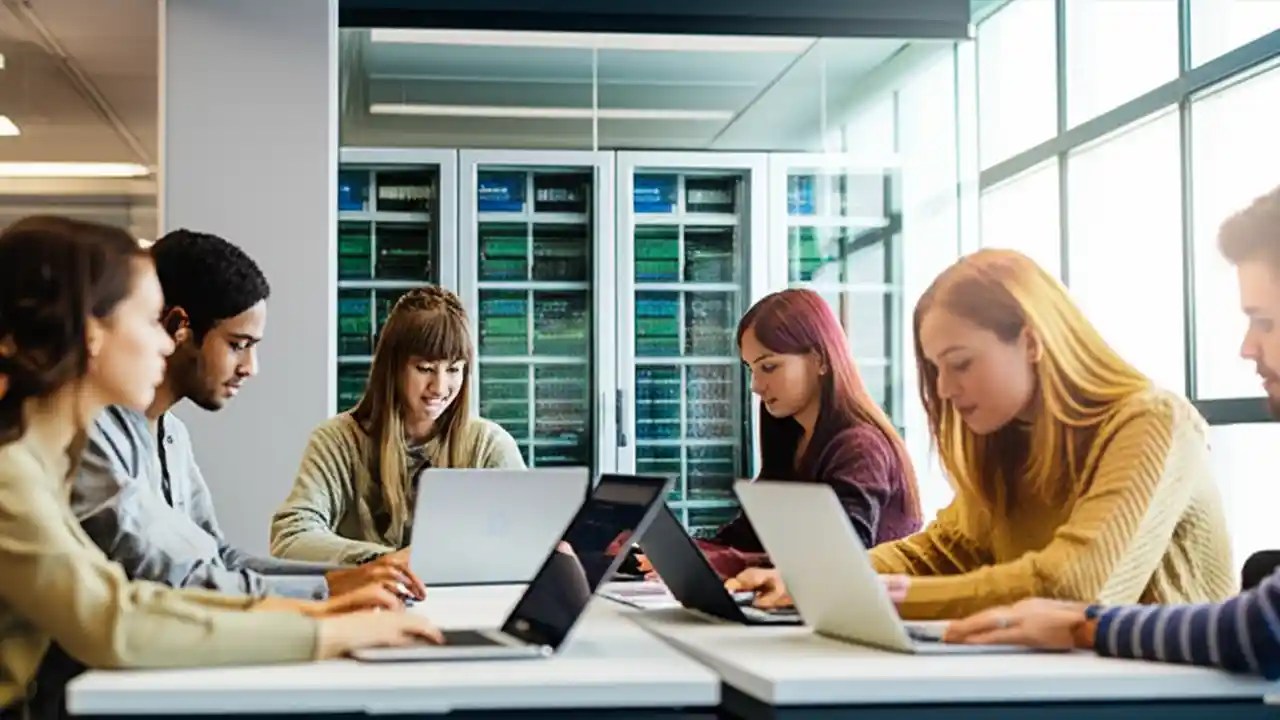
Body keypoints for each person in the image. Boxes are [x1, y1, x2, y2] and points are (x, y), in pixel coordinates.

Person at [0, 217, 441, 719]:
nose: (168, 342)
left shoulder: (44, 463)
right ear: (90, 333)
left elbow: (138, 598)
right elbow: (116, 621)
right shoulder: (12, 475)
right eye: (150, 321)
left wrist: (320, 609)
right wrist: (324, 627)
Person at [729, 249, 1235, 620]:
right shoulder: (1009, 439)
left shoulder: (1154, 423)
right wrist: (813, 576)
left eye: (961, 363)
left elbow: (1074, 586)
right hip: (1054, 681)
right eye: (935, 369)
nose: (945, 389)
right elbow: (943, 550)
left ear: (1032, 342)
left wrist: (863, 590)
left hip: (1167, 699)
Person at [945, 186, 1280, 680]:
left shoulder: (1153, 421)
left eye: (1265, 322)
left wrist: (1087, 626)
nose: (1247, 348)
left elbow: (1259, 628)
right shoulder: (1010, 444)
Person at [70, 229, 423, 606]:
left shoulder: (172, 434)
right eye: (238, 346)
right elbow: (167, 576)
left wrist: (356, 575)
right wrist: (328, 590)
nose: (250, 368)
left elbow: (220, 559)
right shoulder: (93, 431)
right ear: (179, 328)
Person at [647, 288, 922, 578]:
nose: (755, 385)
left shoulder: (860, 447)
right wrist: (663, 550)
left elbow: (841, 556)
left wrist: (727, 562)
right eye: (751, 369)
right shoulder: (792, 438)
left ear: (820, 360)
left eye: (768, 367)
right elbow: (743, 538)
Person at [270, 286, 525, 564]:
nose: (440, 387)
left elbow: (526, 536)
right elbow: (291, 537)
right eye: (425, 368)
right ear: (393, 368)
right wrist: (385, 561)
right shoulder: (336, 441)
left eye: (453, 370)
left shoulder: (489, 445)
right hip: (369, 603)